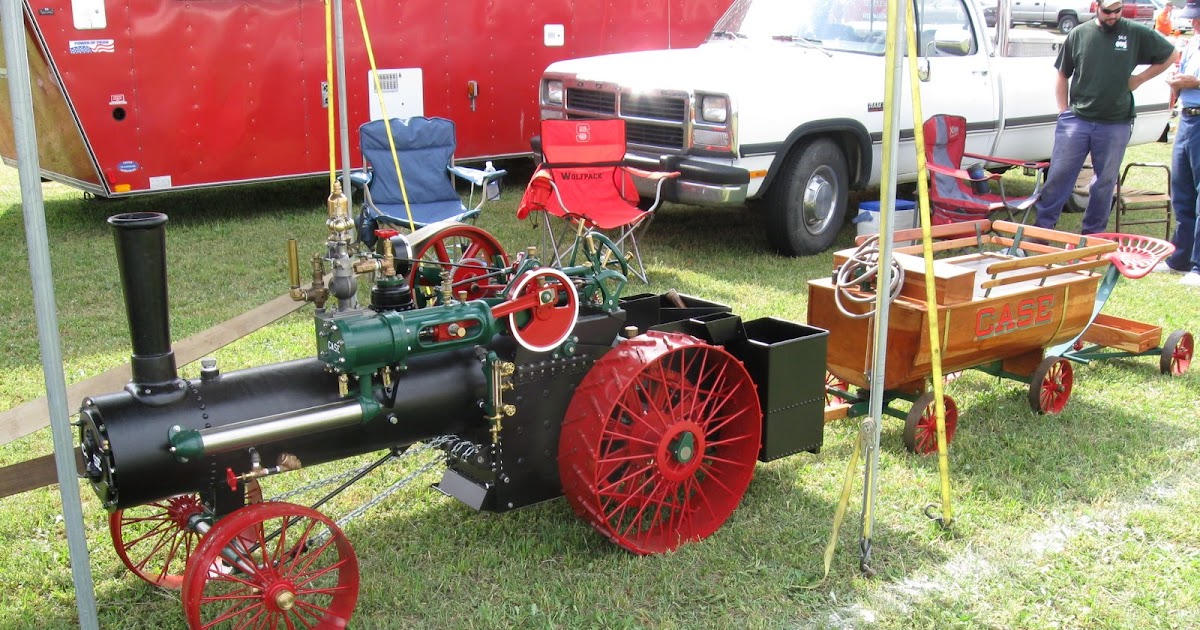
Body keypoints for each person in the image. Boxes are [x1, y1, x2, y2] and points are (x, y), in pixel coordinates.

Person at [1031, 0, 1178, 236]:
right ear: (1096, 7)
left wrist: (1139, 79)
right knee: (1059, 176)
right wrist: (1063, 111)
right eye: (1107, 11)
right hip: (1077, 118)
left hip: (1116, 121)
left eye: (1117, 11)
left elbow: (1171, 55)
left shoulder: (1135, 32)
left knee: (1104, 182)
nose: (1113, 16)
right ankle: (1042, 231)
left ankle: (1093, 236)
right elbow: (1062, 74)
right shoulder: (1079, 33)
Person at [1163, 0, 1200, 287]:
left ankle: (1197, 266)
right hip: (1187, 118)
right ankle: (1180, 258)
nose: (1194, 23)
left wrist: (1195, 83)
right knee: (1182, 191)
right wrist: (1175, 81)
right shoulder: (1191, 44)